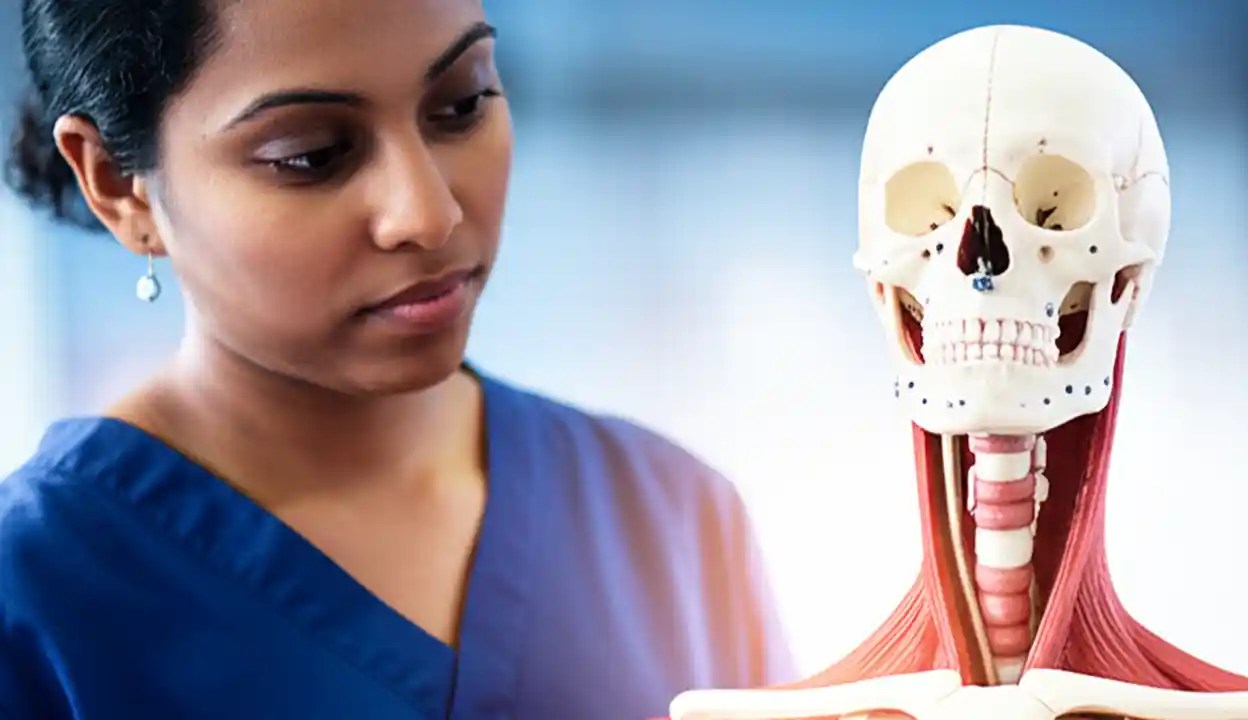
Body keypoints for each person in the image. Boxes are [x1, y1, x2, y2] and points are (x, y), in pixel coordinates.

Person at [0, 1, 796, 717]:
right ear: (118, 185)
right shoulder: (32, 599)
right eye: (313, 154)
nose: (429, 213)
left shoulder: (671, 515)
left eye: (461, 105)